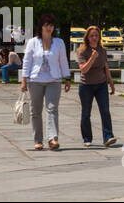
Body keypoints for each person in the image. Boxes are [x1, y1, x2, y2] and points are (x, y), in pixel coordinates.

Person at [21, 13, 72, 150]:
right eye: (46, 25)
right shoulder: (33, 42)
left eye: (51, 25)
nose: (49, 28)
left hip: (54, 80)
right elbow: (27, 62)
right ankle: (38, 140)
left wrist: (67, 78)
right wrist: (24, 80)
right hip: (35, 80)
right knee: (35, 111)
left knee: (52, 109)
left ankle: (52, 138)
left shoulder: (59, 42)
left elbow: (63, 61)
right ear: (41, 27)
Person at [76, 26, 116, 147]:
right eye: (92, 36)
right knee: (86, 113)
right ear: (87, 37)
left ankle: (108, 136)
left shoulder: (102, 50)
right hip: (86, 85)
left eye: (96, 36)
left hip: (101, 84)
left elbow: (105, 66)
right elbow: (84, 70)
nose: (94, 38)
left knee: (105, 111)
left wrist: (111, 82)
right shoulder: (82, 51)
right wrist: (92, 58)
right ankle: (87, 138)